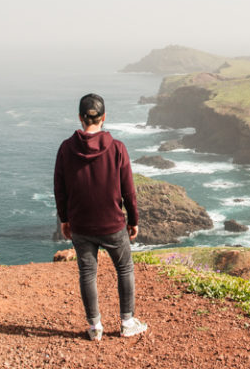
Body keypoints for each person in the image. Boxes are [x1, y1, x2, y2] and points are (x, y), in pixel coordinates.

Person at [54, 93, 147, 340]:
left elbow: (59, 189)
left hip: (81, 225)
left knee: (87, 272)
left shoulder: (66, 148)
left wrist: (64, 219)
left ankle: (95, 328)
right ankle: (127, 322)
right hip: (113, 224)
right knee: (125, 268)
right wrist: (133, 220)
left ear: (80, 118)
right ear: (104, 117)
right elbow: (129, 190)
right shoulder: (117, 148)